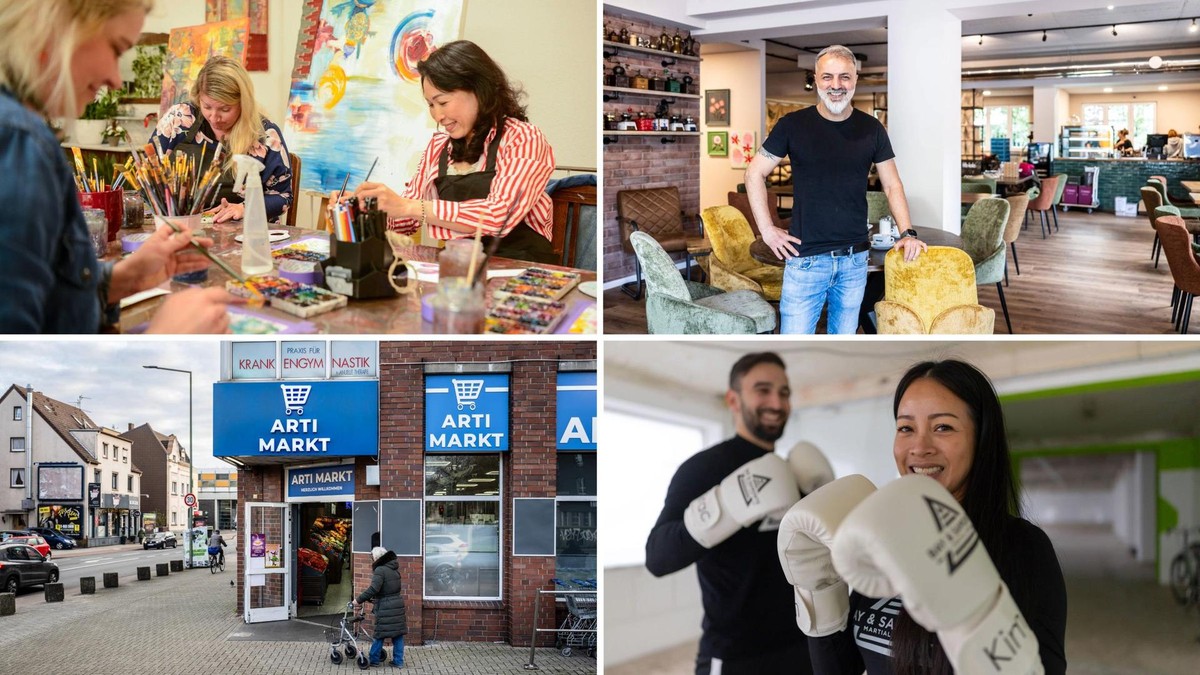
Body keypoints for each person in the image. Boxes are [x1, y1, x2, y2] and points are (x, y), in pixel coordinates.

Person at [780, 359, 1067, 674]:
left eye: (943, 427)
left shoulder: (1024, 548)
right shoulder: (885, 534)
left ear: (981, 438)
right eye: (906, 428)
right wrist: (819, 591)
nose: (919, 447)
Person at [0, 0, 236, 333]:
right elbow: (16, 358)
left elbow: (44, 294)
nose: (114, 78)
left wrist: (124, 279)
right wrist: (163, 340)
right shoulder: (18, 142)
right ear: (57, 29)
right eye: (115, 48)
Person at [645, 352, 836, 675]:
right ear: (733, 400)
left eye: (784, 392)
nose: (777, 403)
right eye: (763, 390)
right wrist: (725, 507)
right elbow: (657, 557)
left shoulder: (797, 472)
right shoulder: (705, 468)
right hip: (734, 654)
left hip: (802, 642)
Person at [745, 45, 925, 334]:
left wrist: (907, 233)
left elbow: (892, 185)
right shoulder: (792, 125)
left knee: (843, 345)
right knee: (794, 348)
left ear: (855, 80)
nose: (836, 85)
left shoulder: (872, 129)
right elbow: (754, 173)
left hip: (855, 261)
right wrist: (766, 230)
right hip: (805, 260)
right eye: (827, 77)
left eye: (844, 77)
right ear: (816, 79)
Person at [349, 40, 558, 264]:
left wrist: (408, 206)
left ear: (479, 91)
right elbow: (406, 221)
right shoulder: (438, 147)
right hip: (459, 268)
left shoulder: (523, 138)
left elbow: (498, 215)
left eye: (443, 102)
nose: (437, 116)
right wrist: (362, 211)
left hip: (520, 267)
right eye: (431, 105)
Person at [151, 55, 292, 223]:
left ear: (243, 103)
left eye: (225, 109)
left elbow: (283, 197)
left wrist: (244, 208)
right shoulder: (179, 119)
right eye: (207, 106)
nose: (214, 117)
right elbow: (149, 172)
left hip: (243, 231)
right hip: (180, 226)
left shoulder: (265, 135)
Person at [354, 546, 407, 669]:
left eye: (372, 557)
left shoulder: (380, 570)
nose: (372, 559)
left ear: (376, 557)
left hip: (385, 606)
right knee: (398, 634)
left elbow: (374, 589)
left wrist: (358, 600)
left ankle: (374, 660)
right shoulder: (394, 569)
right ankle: (398, 661)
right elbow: (389, 588)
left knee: (379, 633)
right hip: (397, 604)